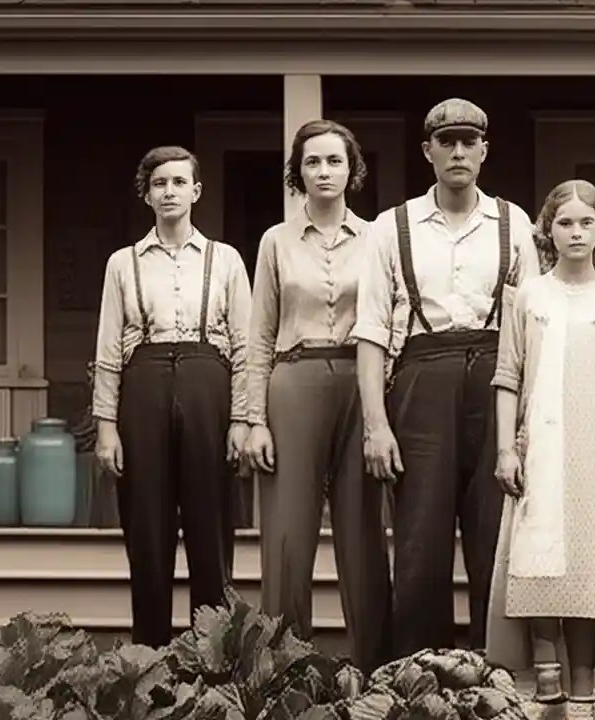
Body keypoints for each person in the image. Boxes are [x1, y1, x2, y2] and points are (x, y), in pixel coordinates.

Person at [354, 98, 540, 658]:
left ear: (484, 151)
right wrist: (375, 426)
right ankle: (419, 672)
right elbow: (369, 329)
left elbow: (529, 328)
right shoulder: (393, 226)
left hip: (494, 379)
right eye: (446, 142)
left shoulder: (514, 223)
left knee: (493, 532)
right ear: (427, 151)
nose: (458, 152)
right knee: (419, 537)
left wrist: (525, 427)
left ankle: (495, 669)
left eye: (469, 142)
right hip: (420, 378)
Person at [485, 180, 595, 718]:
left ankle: (584, 690)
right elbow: (508, 375)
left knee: (587, 568)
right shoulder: (529, 295)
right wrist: (507, 449)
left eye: (586, 223)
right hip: (541, 446)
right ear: (547, 230)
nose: (575, 233)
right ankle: (546, 677)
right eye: (564, 223)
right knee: (537, 556)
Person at [243, 119, 392, 673]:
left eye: (335, 161)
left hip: (363, 381)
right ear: (297, 173)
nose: (324, 171)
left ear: (352, 170)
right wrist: (254, 418)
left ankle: (375, 669)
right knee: (286, 534)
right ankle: (283, 670)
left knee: (363, 533)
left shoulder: (379, 238)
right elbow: (258, 334)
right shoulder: (275, 242)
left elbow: (390, 322)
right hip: (295, 380)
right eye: (312, 162)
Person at [92, 145, 252, 648]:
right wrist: (106, 427)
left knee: (210, 529)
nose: (169, 192)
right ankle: (150, 659)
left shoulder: (224, 260)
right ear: (147, 194)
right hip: (144, 385)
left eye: (179, 182)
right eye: (159, 183)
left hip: (209, 385)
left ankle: (212, 659)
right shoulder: (123, 264)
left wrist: (242, 419)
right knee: (147, 531)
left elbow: (246, 346)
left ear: (196, 191)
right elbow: (108, 348)